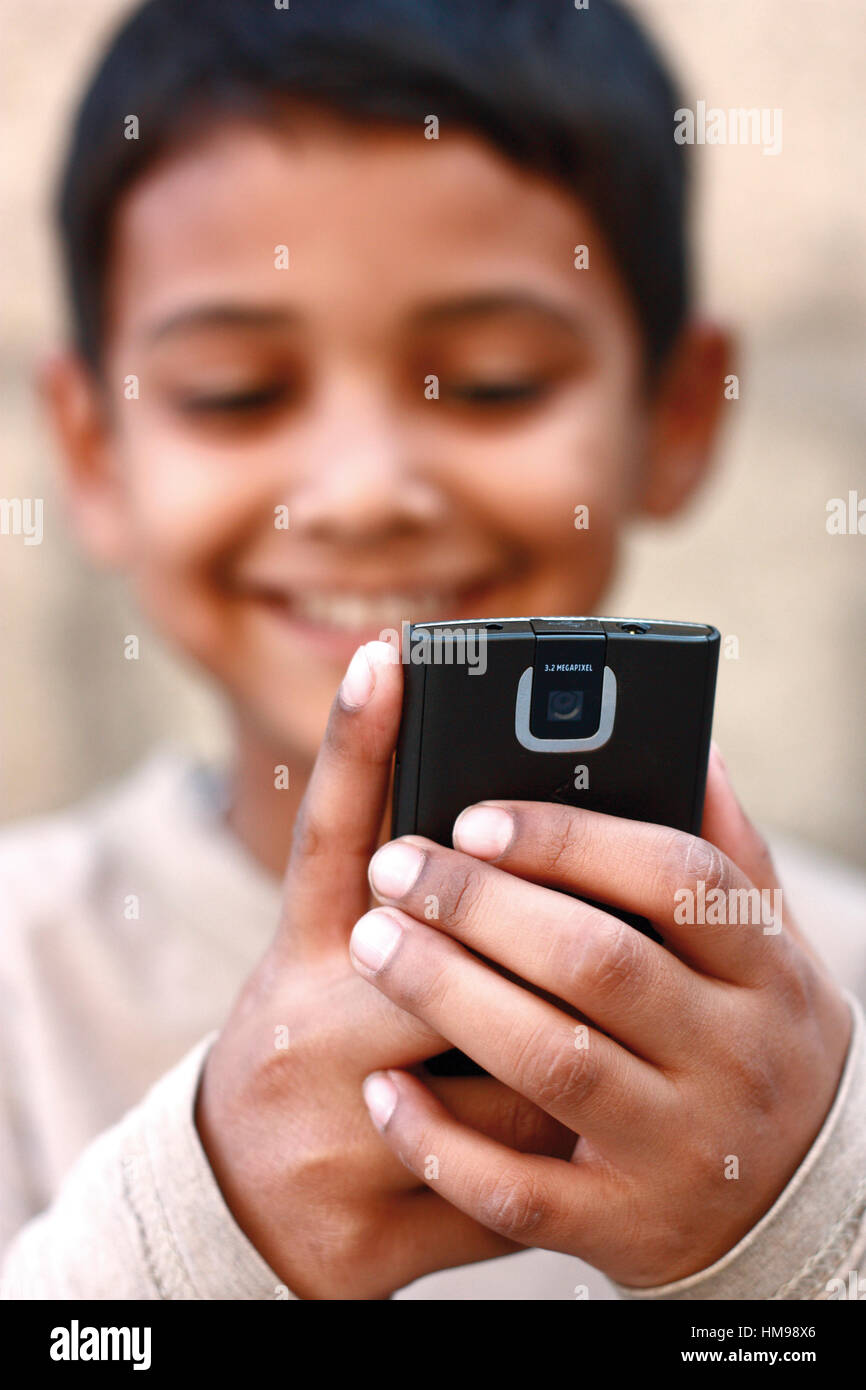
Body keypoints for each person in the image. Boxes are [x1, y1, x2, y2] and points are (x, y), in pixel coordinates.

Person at [1, 0, 864, 1301]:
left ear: (675, 414)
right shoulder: (25, 979)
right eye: (236, 390)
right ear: (89, 447)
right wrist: (209, 1221)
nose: (361, 491)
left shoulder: (824, 996)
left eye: (495, 382)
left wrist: (795, 1227)